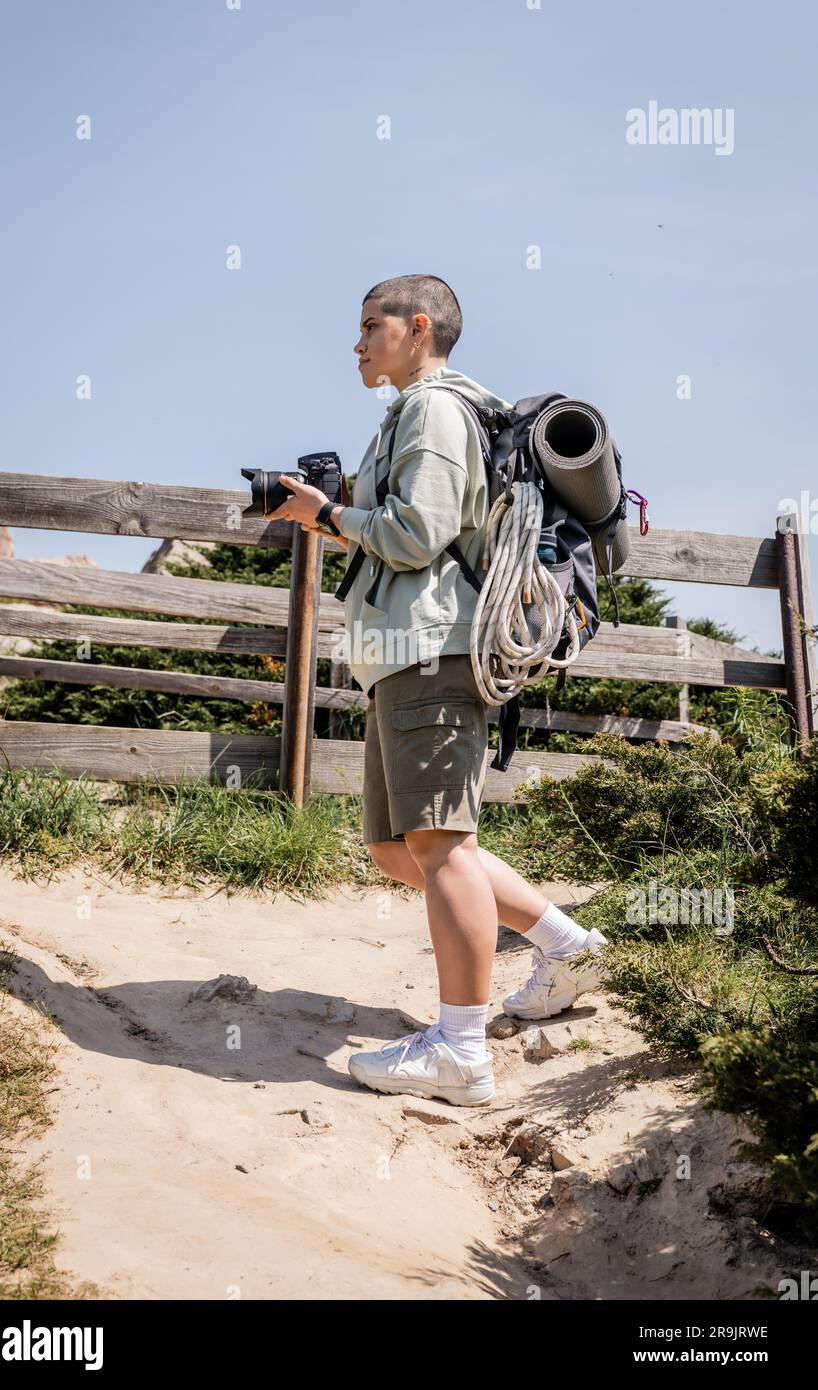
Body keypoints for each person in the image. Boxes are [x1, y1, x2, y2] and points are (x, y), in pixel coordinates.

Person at [269, 273, 607, 1106]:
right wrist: (347, 511)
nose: (356, 343)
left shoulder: (433, 408)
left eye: (368, 326)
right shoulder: (424, 411)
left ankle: (462, 1050)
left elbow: (416, 536)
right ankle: (566, 946)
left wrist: (327, 516)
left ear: (417, 327)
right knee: (399, 848)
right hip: (404, 654)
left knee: (440, 846)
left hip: (432, 650)